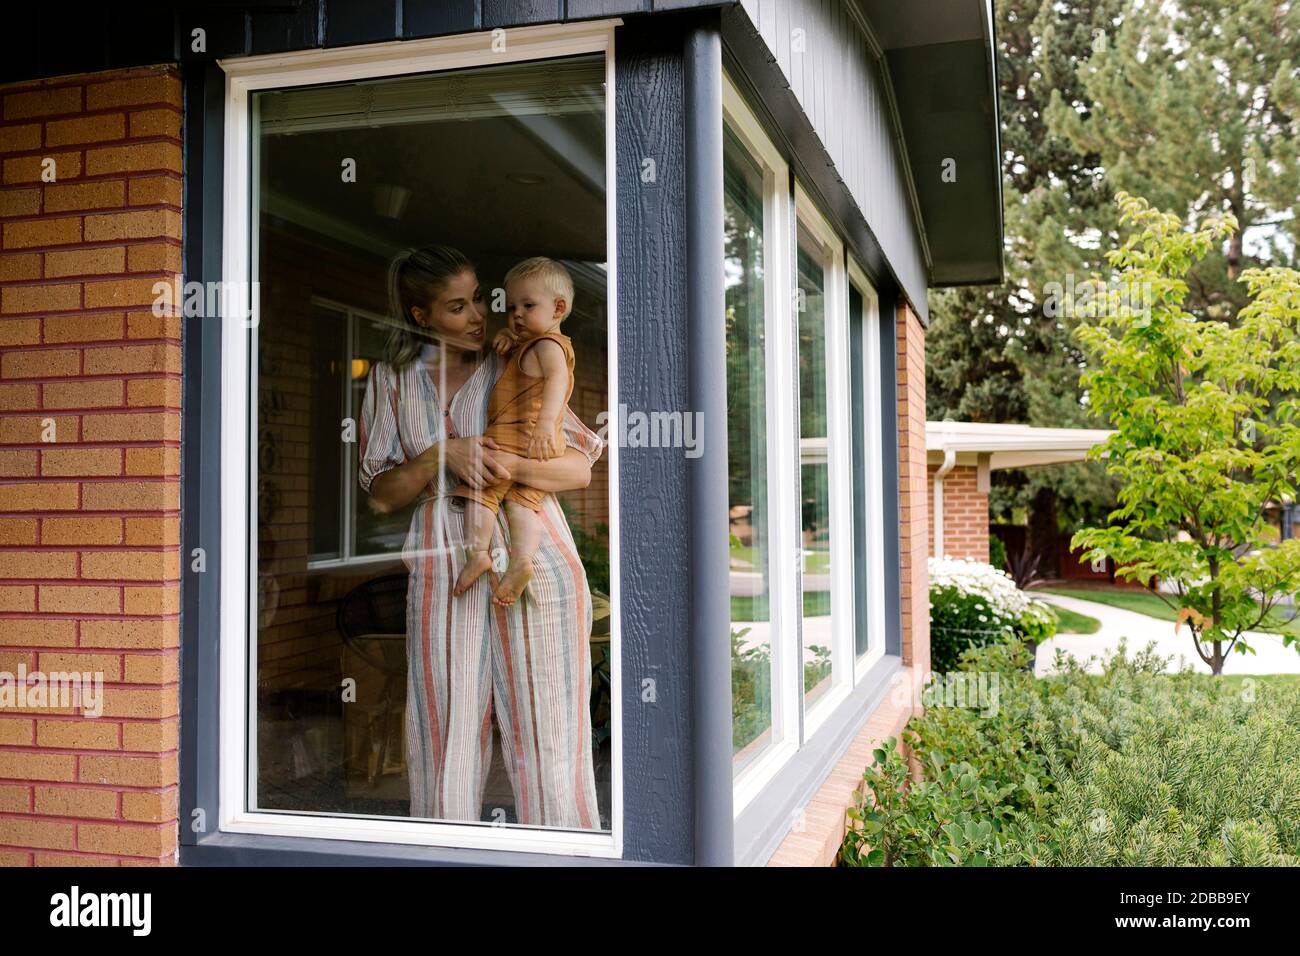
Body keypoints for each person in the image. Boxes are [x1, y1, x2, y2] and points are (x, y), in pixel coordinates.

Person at [358, 244, 603, 828]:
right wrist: (444, 454)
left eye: (479, 301)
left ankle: (563, 853)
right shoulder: (392, 383)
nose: (478, 317)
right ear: (422, 316)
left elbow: (579, 468)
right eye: (457, 306)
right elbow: (380, 494)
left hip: (533, 553)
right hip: (445, 564)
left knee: (549, 726)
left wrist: (507, 468)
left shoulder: (518, 361)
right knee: (446, 728)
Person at [450, 257, 579, 607]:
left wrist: (547, 423)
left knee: (483, 493)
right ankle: (522, 559)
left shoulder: (549, 346)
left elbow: (557, 380)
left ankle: (477, 553)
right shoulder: (536, 343)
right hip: (536, 446)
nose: (517, 314)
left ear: (559, 308)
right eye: (511, 308)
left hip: (518, 435)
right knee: (522, 504)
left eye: (528, 305)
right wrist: (509, 338)